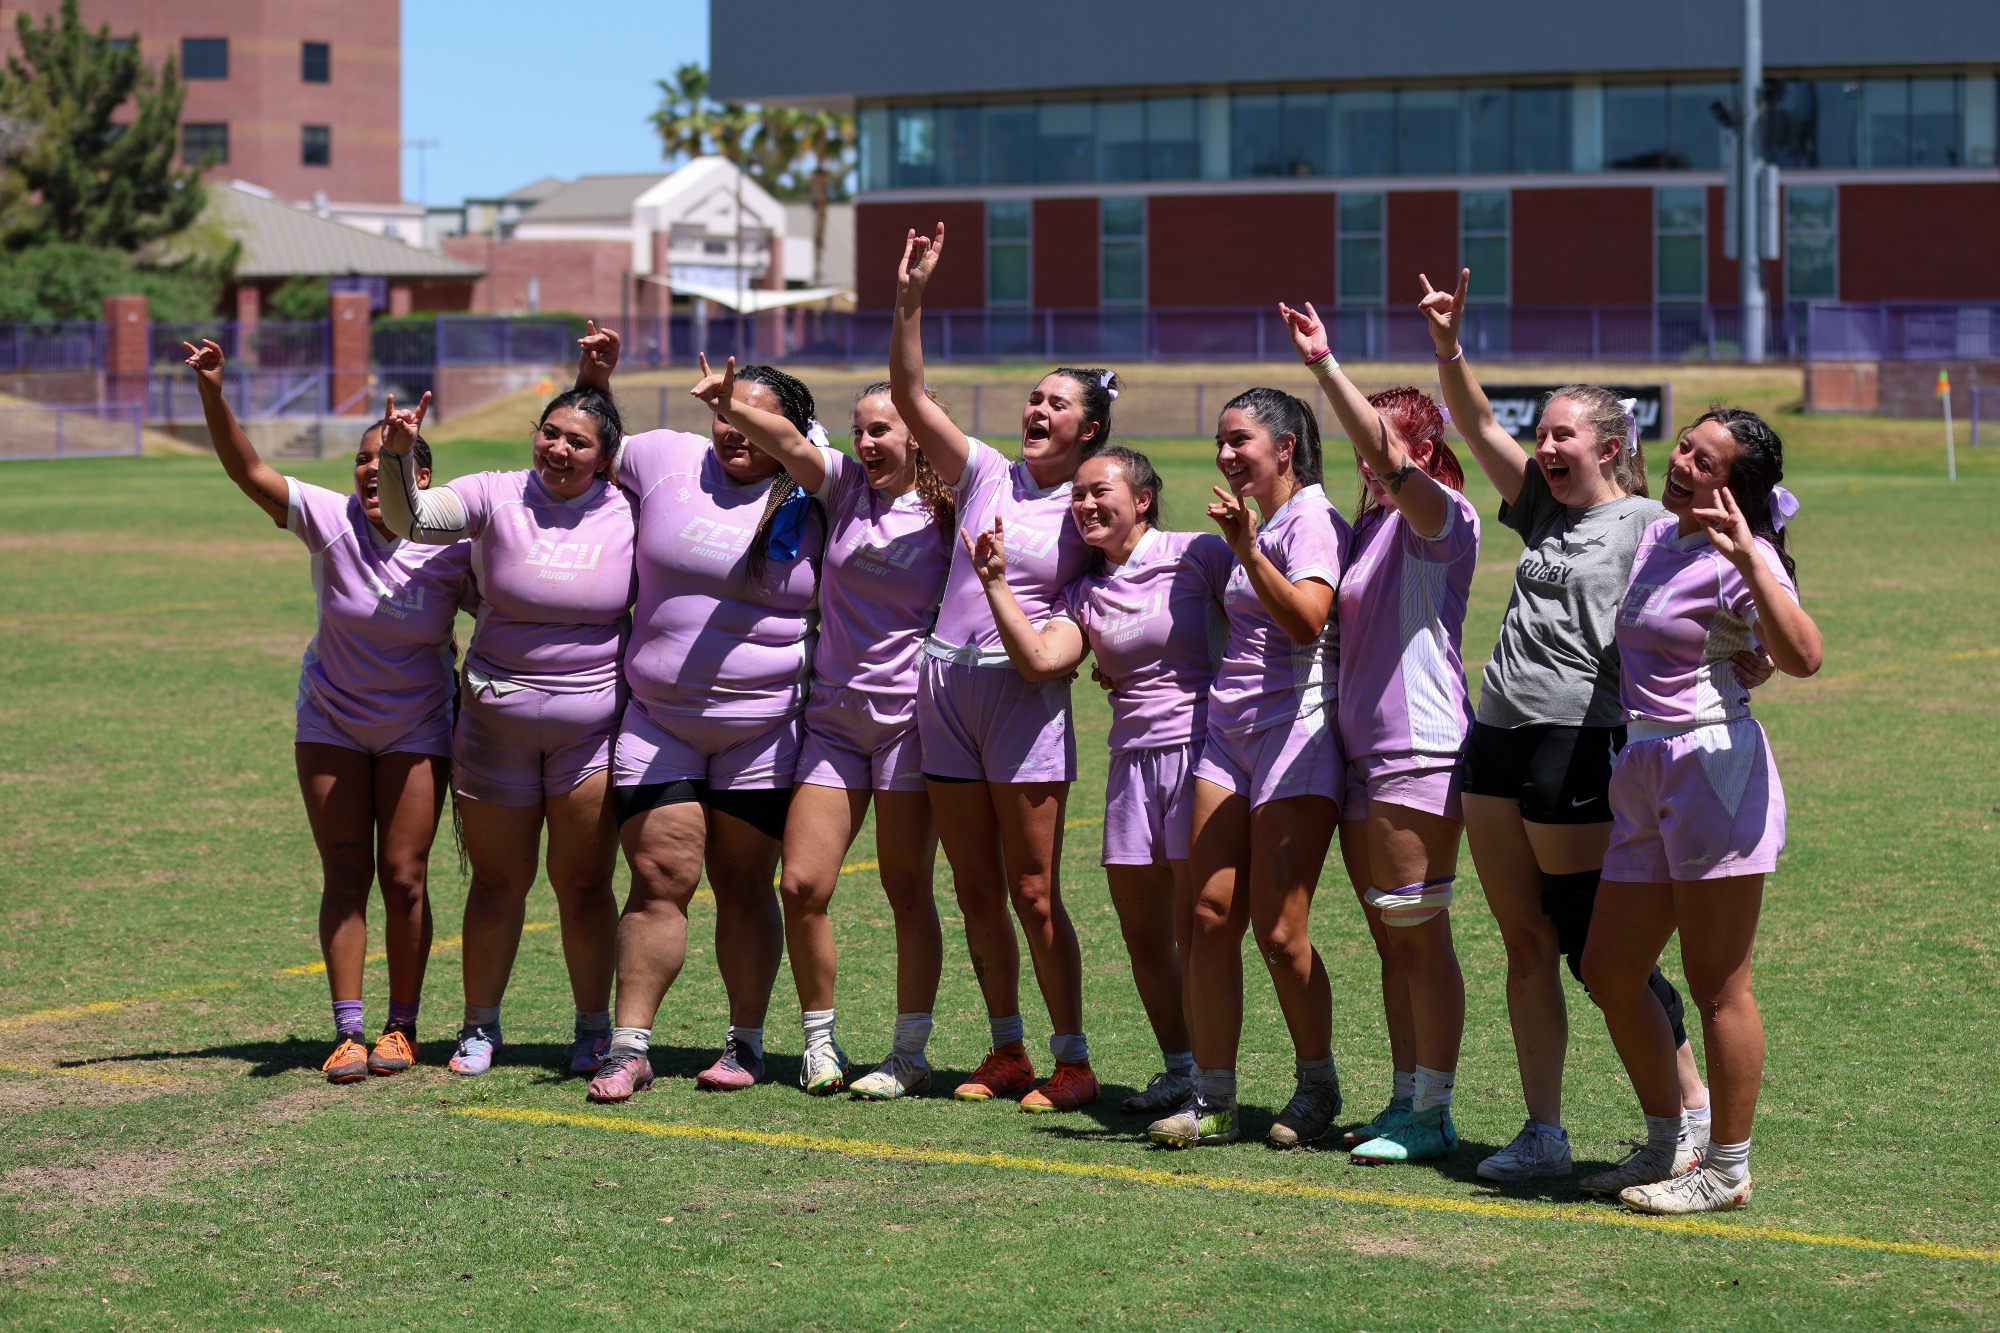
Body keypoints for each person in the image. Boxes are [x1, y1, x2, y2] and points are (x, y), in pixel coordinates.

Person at [1418, 269, 1726, 1186]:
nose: (1546, 445)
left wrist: (1741, 650)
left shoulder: (1644, 520)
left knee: (1600, 947)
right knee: (1525, 943)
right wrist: (1449, 345)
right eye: (1542, 432)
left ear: (1610, 444)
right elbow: (1474, 426)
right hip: (1496, 736)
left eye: (1564, 433)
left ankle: (1685, 1113)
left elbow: (1727, 576)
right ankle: (1542, 1130)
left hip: (1579, 739)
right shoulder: (1545, 509)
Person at [182, 339, 471, 1084]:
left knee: (404, 875)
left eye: (391, 457)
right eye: (364, 459)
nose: (373, 469)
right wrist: (215, 390)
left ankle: (402, 1027)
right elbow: (248, 471)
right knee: (344, 874)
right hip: (333, 722)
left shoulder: (450, 541)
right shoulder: (328, 516)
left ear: (424, 474)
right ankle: (347, 1029)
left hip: (417, 726)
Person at [687, 357, 953, 1100]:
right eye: (861, 428)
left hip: (908, 723)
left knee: (907, 887)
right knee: (802, 883)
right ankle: (819, 1043)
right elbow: (794, 443)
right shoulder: (841, 487)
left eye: (883, 429)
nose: (867, 442)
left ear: (919, 434)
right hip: (832, 723)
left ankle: (908, 1052)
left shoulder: (947, 507)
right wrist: (734, 406)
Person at [1582, 409, 1821, 1214]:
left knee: (1718, 984)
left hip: (1713, 768)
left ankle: (1727, 1168)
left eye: (1705, 460)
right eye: (1684, 446)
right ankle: (1670, 1138)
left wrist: (1750, 560)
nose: (1682, 462)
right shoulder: (1659, 537)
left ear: (1738, 489)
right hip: (1645, 767)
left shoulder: (1736, 555)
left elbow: (1803, 656)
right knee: (1609, 967)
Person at [890, 222, 1105, 1113]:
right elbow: (908, 393)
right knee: (974, 886)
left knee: (1033, 890)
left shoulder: (1094, 501)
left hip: (1023, 693)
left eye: (1055, 403)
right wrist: (912, 295)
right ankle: (1008, 1047)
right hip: (944, 684)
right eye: (1032, 397)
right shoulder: (982, 469)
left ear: (1089, 427)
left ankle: (1074, 1058)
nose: (1036, 410)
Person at [373, 338, 630, 1081]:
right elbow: (412, 519)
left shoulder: (627, 507)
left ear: (603, 456)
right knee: (495, 882)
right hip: (494, 723)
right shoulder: (494, 491)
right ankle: (480, 1027)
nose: (558, 448)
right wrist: (398, 453)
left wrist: (597, 381)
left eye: (577, 441)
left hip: (591, 731)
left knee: (583, 884)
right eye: (548, 432)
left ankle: (592, 1028)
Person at [583, 345, 827, 1104]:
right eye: (724, 409)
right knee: (658, 878)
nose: (732, 426)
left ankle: (746, 1042)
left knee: (745, 882)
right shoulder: (664, 457)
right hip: (660, 720)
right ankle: (629, 1048)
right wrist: (596, 380)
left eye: (752, 413)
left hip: (764, 728)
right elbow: (586, 447)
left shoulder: (816, 487)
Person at [966, 447, 1234, 1116]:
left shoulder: (1198, 553)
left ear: (1142, 498)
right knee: (1145, 936)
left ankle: (1212, 1082)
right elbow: (1039, 660)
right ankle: (1178, 1069)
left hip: (1201, 755)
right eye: (1077, 494)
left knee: (1196, 928)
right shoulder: (1083, 593)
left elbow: (1263, 617)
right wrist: (997, 584)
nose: (1084, 503)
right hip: (1130, 766)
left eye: (1099, 491)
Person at [1279, 301, 1476, 1165]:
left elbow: (1394, 464)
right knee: (1391, 938)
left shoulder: (1442, 520)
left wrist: (1326, 367)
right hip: (1362, 759)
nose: (1365, 452)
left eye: (1384, 440)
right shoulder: (1367, 528)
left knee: (1418, 933)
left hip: (1418, 752)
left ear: (1423, 451)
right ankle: (1404, 1099)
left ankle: (1434, 1108)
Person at [1150, 387, 1351, 1150]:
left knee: (1279, 930)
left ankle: (1317, 1084)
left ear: (1286, 447)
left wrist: (1246, 549)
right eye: (1220, 444)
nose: (1227, 455)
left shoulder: (1315, 520)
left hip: (1296, 737)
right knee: (1205, 916)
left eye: (1240, 441)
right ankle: (1215, 1095)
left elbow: (1306, 618)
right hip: (1226, 736)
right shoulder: (1261, 521)